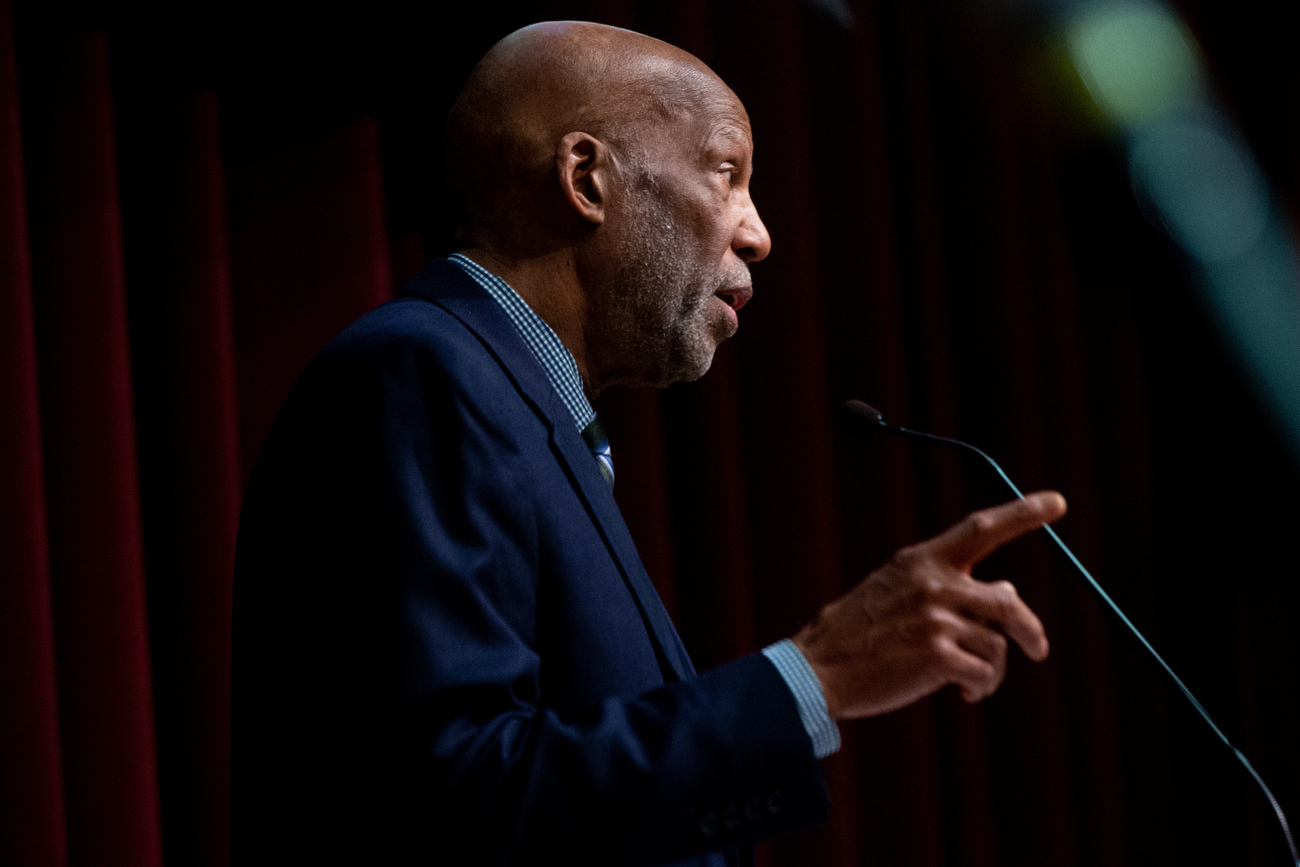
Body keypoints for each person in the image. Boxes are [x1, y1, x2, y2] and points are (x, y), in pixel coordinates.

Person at [233, 20, 1067, 867]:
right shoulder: (425, 374)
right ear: (587, 178)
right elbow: (450, 800)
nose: (759, 233)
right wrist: (817, 676)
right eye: (727, 174)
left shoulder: (532, 417)